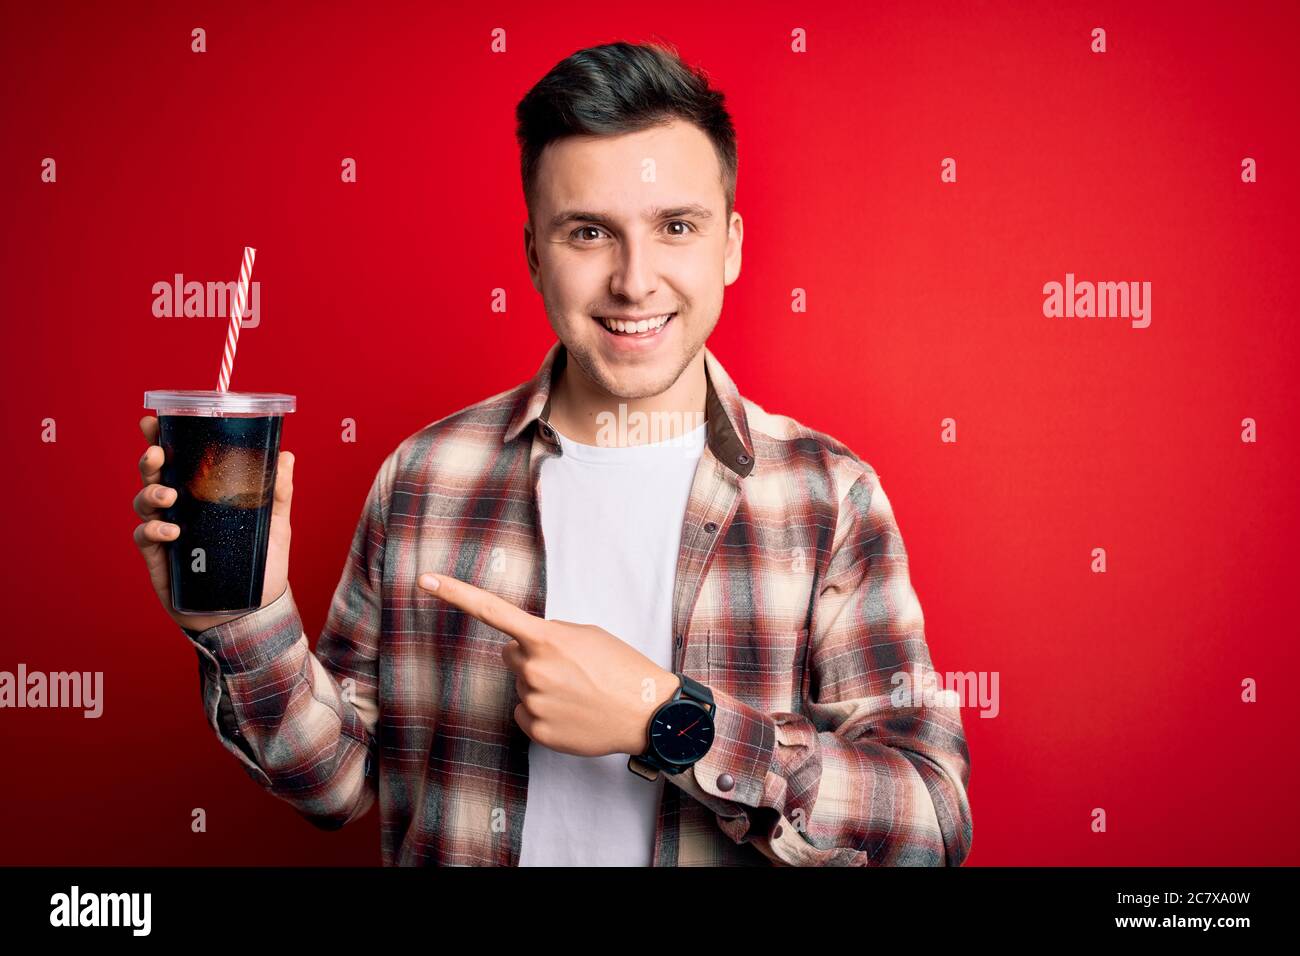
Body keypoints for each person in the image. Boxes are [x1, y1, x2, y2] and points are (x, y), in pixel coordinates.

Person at [132, 39, 972, 866]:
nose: (635, 280)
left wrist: (668, 719)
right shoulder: (424, 477)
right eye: (588, 233)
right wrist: (245, 623)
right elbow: (341, 783)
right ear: (534, 253)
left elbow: (930, 822)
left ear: (732, 246)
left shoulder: (828, 498)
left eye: (676, 226)